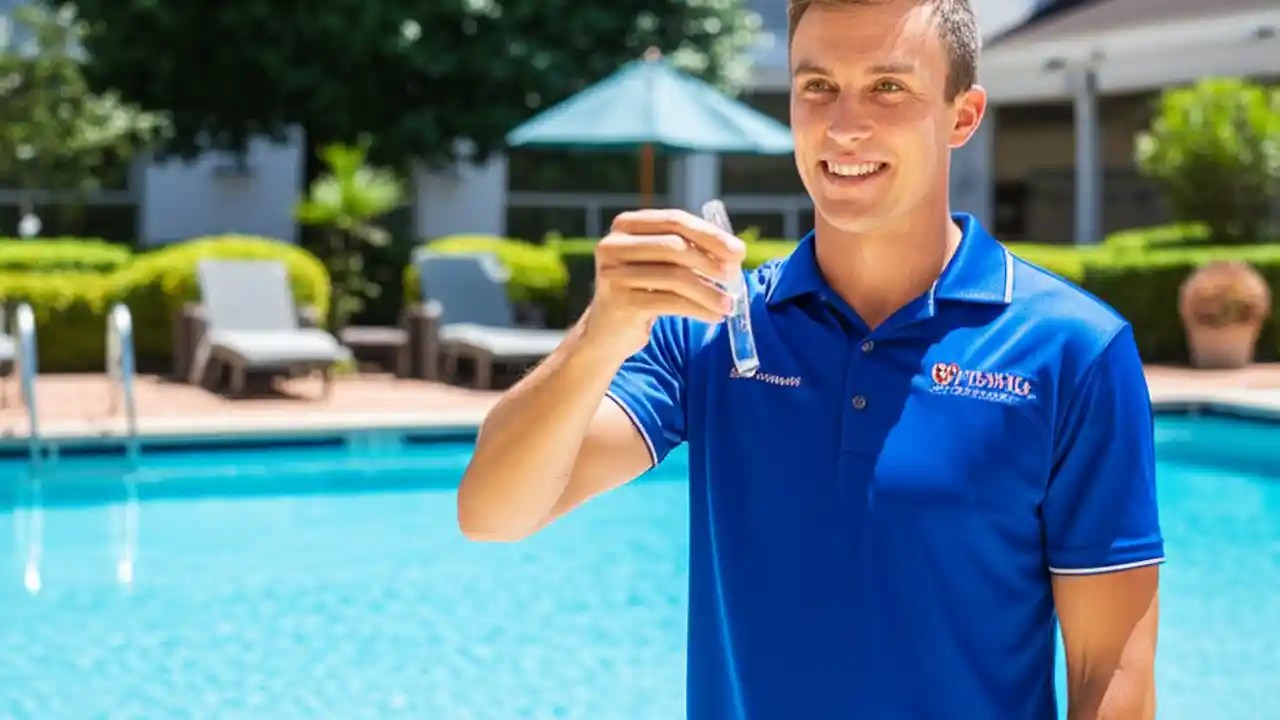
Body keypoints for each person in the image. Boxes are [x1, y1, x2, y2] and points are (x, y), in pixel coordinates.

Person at [457, 0, 1164, 717]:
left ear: (963, 115)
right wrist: (600, 333)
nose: (844, 124)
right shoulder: (707, 331)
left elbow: (1107, 668)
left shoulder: (1073, 350)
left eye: (888, 87)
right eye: (816, 86)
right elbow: (493, 511)